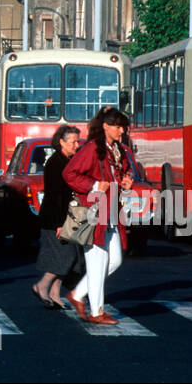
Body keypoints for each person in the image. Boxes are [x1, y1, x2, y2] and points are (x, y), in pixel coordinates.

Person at [62, 107, 135, 325]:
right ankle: (96, 312)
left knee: (114, 261)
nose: (122, 130)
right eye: (118, 126)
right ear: (105, 126)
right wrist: (94, 185)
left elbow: (125, 171)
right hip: (94, 213)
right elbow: (69, 174)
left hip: (112, 212)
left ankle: (77, 294)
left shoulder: (117, 149)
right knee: (97, 263)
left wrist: (127, 180)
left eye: (123, 126)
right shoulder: (92, 148)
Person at [33, 125, 85, 309]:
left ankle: (55, 295)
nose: (77, 145)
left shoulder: (67, 160)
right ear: (61, 142)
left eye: (78, 141)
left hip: (64, 218)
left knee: (65, 257)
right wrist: (58, 225)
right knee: (66, 257)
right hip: (55, 219)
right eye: (73, 142)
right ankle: (42, 285)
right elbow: (55, 196)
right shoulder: (56, 163)